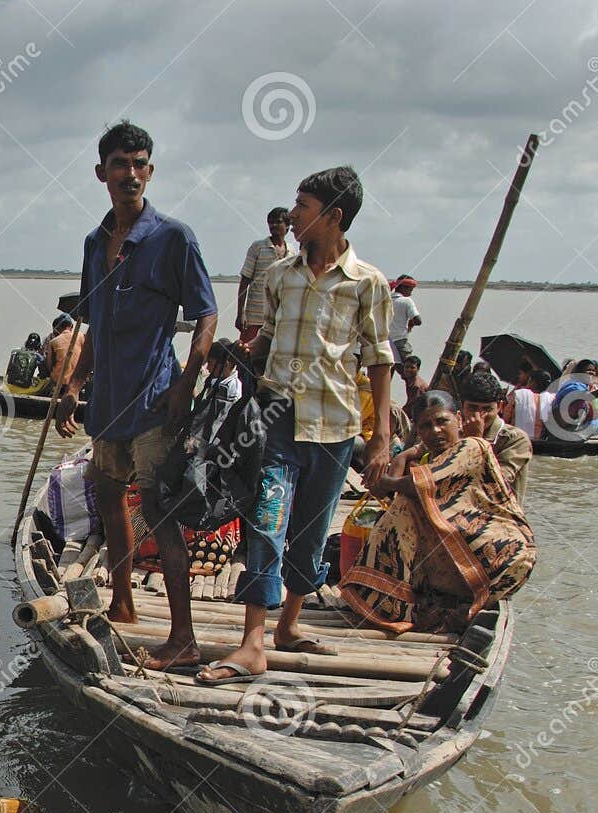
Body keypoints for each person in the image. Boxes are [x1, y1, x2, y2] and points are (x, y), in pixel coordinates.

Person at [199, 165, 392, 684]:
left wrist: (382, 439)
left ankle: (289, 625)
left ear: (334, 217)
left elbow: (378, 360)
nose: (292, 215)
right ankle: (252, 643)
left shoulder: (368, 283)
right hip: (277, 421)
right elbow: (265, 344)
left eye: (302, 207)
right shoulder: (280, 274)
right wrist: (239, 354)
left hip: (335, 430)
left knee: (309, 532)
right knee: (266, 521)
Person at [51, 120, 217, 671]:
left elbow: (205, 314)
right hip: (108, 402)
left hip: (154, 400)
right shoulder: (96, 244)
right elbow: (94, 323)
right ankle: (122, 600)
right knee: (104, 488)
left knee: (158, 508)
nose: (130, 174)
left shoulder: (174, 237)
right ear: (102, 173)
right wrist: (74, 385)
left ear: (150, 171)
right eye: (120, 164)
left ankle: (184, 638)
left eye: (139, 163)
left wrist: (185, 383)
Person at [341, 391, 535, 633]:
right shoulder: (433, 455)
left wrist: (386, 481)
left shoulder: (473, 445)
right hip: (463, 554)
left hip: (504, 558)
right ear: (418, 431)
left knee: (406, 503)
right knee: (407, 505)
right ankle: (399, 597)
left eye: (442, 422)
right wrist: (404, 455)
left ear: (458, 419)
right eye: (426, 426)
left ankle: (388, 598)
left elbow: (420, 484)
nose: (435, 431)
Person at [459, 368, 532, 502]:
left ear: (500, 407)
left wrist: (475, 441)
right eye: (473, 408)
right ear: (462, 406)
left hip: (501, 519)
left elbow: (497, 482)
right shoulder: (455, 432)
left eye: (487, 409)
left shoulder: (515, 439)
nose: (479, 415)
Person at [235, 207, 295, 343]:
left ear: (287, 226)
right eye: (270, 222)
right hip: (255, 318)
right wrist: (241, 314)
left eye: (278, 222)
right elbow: (245, 281)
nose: (273, 226)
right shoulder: (258, 247)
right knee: (247, 356)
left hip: (279, 318)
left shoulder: (291, 251)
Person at [42, 312, 84, 388]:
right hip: (77, 380)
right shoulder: (80, 336)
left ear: (59, 327)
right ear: (71, 326)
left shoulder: (53, 342)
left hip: (59, 381)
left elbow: (49, 365)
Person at [388, 275, 422, 367]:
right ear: (403, 287)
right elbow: (418, 321)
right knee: (410, 368)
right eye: (410, 290)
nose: (410, 293)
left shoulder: (386, 300)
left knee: (388, 369)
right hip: (399, 341)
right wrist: (411, 322)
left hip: (384, 342)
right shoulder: (406, 301)